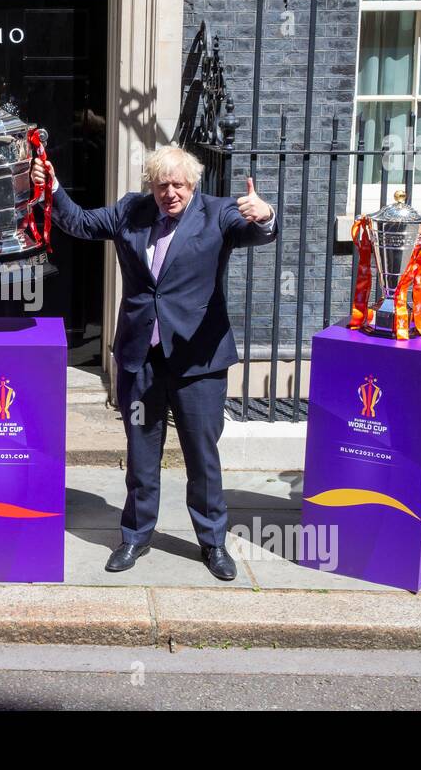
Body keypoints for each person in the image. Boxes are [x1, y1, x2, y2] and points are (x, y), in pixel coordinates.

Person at [46, 146, 277, 580]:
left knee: (202, 456)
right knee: (141, 454)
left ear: (193, 185)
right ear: (150, 184)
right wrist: (52, 186)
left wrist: (264, 215)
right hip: (141, 358)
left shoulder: (218, 213)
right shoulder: (131, 211)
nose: (170, 192)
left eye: (178, 185)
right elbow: (78, 222)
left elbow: (256, 232)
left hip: (198, 361)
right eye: (162, 184)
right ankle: (135, 535)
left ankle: (212, 544)